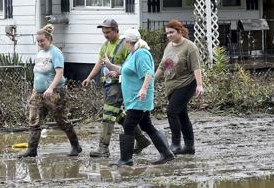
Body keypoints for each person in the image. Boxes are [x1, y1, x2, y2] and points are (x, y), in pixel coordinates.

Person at [102, 28, 174, 166]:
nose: (123, 43)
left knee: (128, 125)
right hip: (134, 98)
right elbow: (125, 70)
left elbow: (148, 73)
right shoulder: (133, 53)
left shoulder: (141, 53)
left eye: (125, 41)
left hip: (139, 98)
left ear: (128, 41)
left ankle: (126, 159)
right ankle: (166, 153)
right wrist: (110, 66)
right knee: (146, 125)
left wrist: (143, 90)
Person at [82, 19, 150, 158]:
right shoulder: (105, 45)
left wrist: (118, 71)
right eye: (103, 32)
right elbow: (99, 63)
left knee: (108, 113)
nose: (105, 35)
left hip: (119, 84)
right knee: (118, 114)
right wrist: (89, 77)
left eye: (108, 32)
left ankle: (103, 148)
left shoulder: (125, 44)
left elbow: (132, 63)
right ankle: (141, 140)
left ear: (116, 30)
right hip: (108, 84)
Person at [19, 24, 81, 158]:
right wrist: (36, 88)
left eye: (42, 41)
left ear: (49, 39)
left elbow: (60, 72)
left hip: (55, 92)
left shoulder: (55, 52)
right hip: (38, 92)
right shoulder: (40, 53)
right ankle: (31, 149)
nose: (40, 43)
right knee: (33, 119)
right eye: (38, 41)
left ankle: (76, 146)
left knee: (61, 120)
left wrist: (51, 88)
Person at [154, 20, 204, 155]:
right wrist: (151, 82)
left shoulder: (190, 47)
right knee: (182, 115)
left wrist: (199, 85)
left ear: (180, 31)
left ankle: (175, 144)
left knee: (172, 111)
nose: (169, 35)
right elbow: (162, 66)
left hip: (186, 84)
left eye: (171, 32)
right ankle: (189, 146)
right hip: (171, 86)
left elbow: (196, 67)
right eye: (167, 33)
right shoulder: (169, 46)